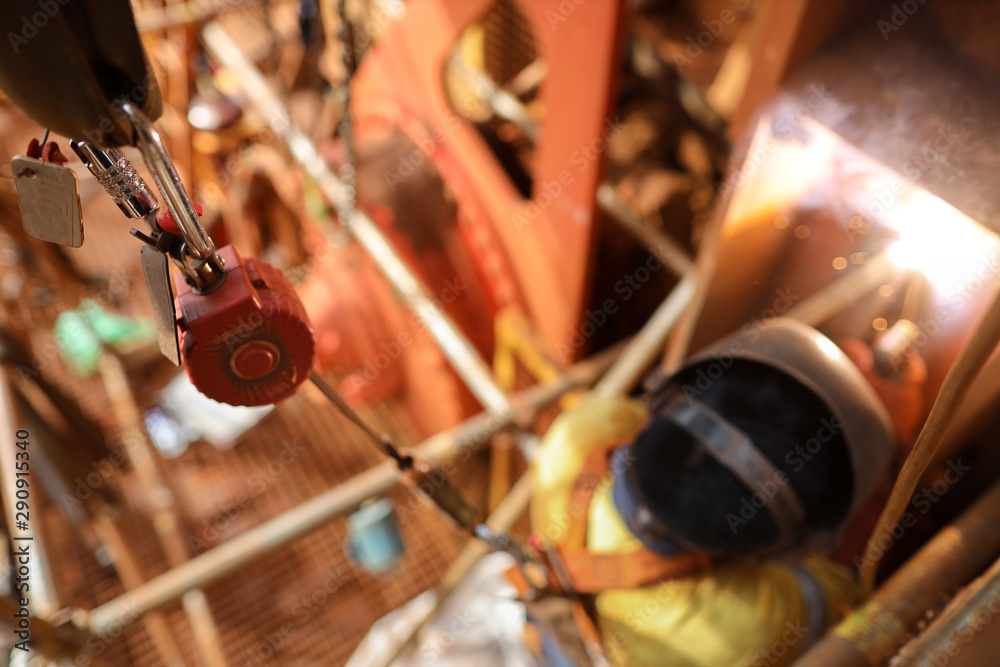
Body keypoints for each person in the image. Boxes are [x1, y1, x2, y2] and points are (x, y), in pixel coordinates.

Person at [530, 318, 895, 666]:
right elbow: (844, 586)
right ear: (770, 546)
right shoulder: (747, 630)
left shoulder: (584, 434)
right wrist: (898, 434)